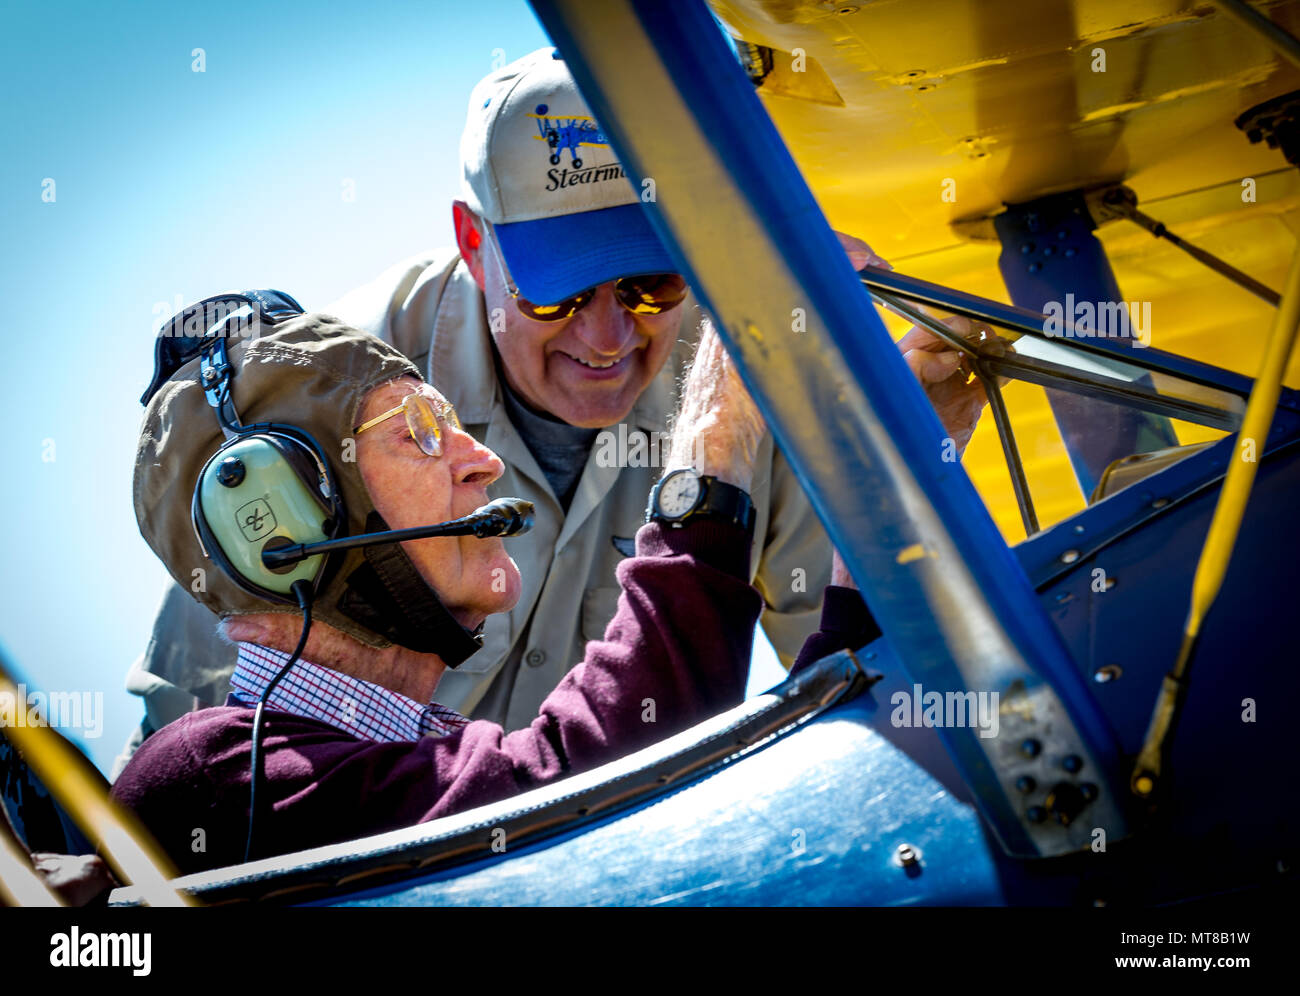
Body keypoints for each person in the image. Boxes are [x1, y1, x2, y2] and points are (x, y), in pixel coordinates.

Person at [114, 49, 850, 772]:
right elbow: (212, 759)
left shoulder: (740, 380)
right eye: (557, 291)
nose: (608, 337)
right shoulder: (323, 397)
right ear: (473, 242)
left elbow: (855, 667)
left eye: (649, 283)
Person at [110, 309, 877, 875]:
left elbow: (744, 801)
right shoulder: (207, 778)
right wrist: (717, 427)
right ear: (278, 530)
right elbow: (586, 797)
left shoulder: (405, 761)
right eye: (420, 431)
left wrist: (886, 523)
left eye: (457, 425)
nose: (482, 460)